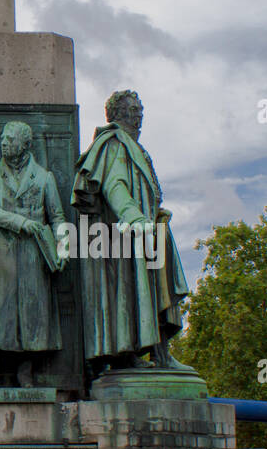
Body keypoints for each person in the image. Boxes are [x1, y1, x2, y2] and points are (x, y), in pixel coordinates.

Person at [71, 90, 191, 373]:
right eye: (134, 109)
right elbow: (115, 186)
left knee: (157, 290)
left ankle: (161, 354)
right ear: (119, 113)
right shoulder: (113, 144)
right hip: (123, 237)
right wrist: (134, 217)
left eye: (140, 108)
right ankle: (125, 357)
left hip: (149, 230)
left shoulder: (136, 147)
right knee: (129, 294)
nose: (140, 113)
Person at [0, 121, 67, 387]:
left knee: (31, 315)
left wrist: (64, 247)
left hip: (33, 256)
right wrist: (20, 222)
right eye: (2, 138)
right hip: (2, 257)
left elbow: (58, 217)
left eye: (10, 140)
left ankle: (25, 374)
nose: (4, 143)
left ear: (26, 145)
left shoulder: (43, 177)